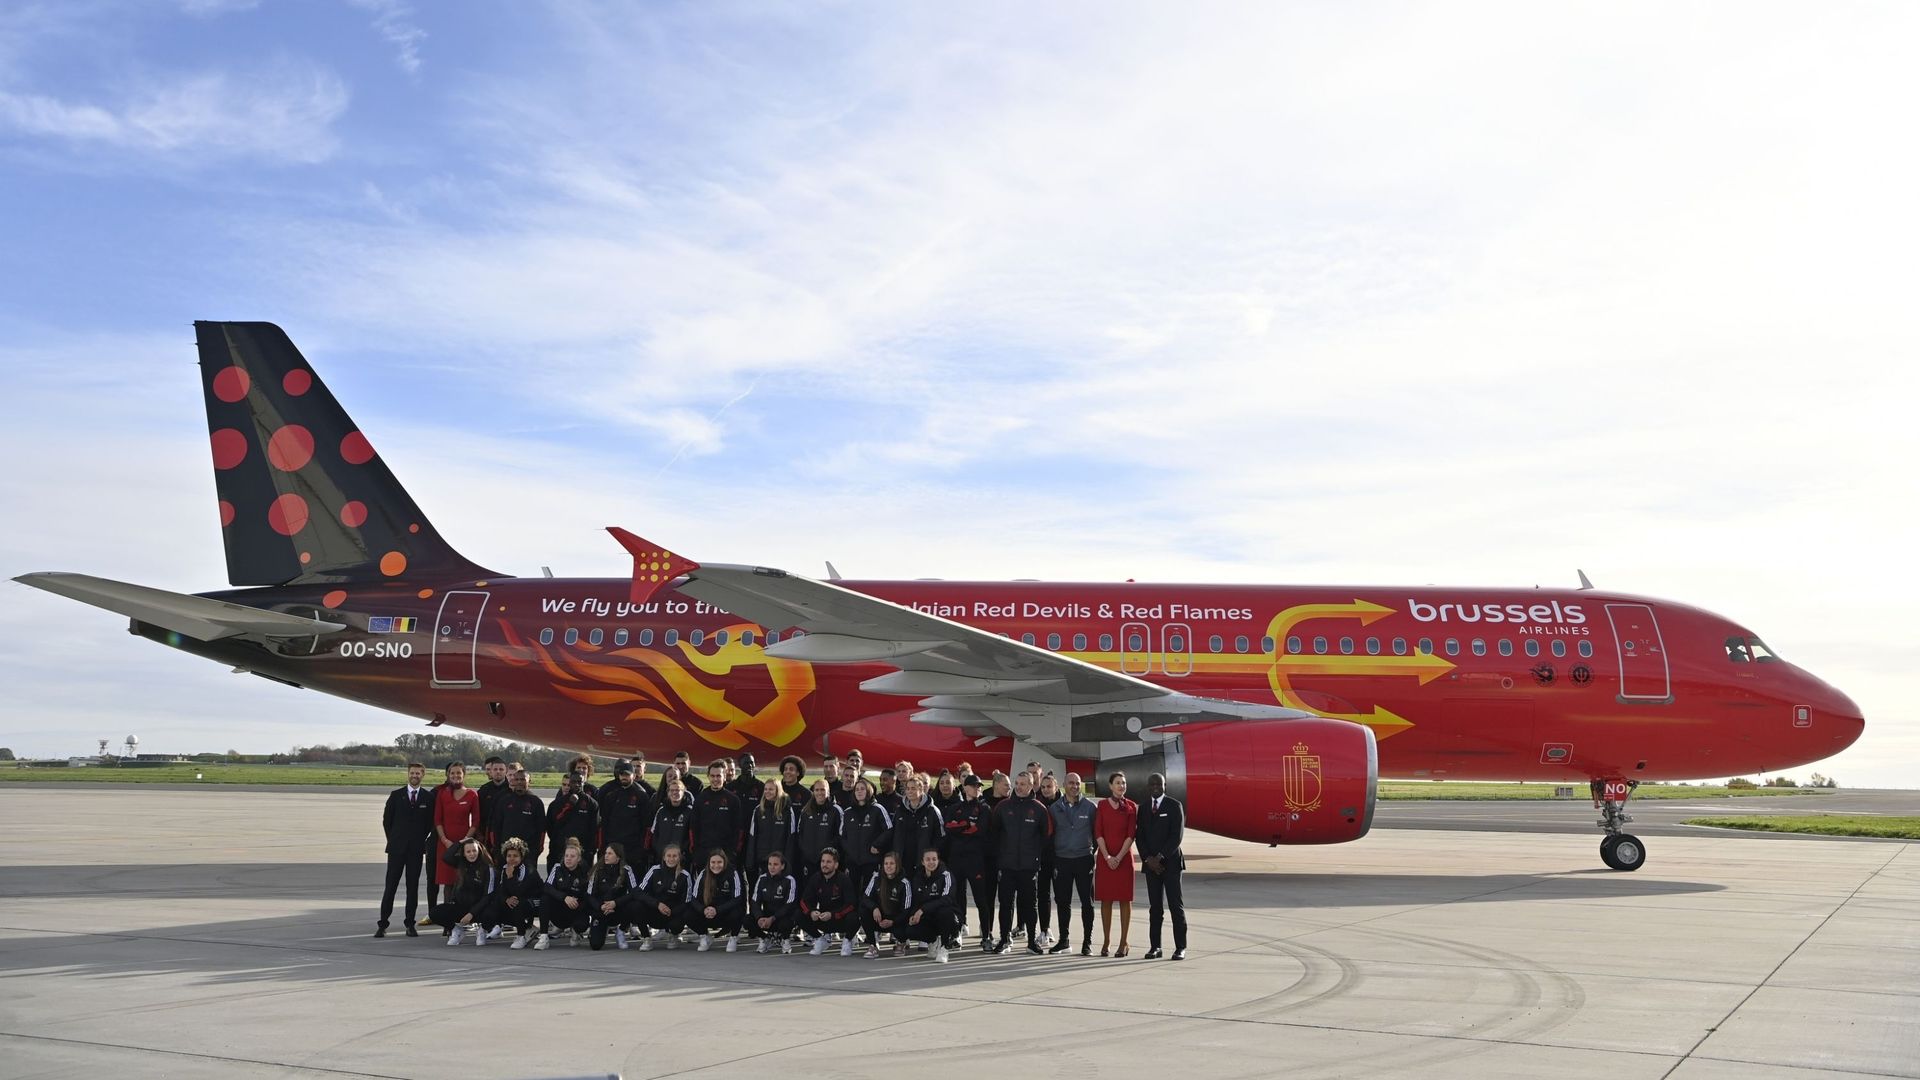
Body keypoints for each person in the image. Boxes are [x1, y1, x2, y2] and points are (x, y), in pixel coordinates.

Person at [989, 771, 1054, 954]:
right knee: (1005, 904)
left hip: (1028, 867)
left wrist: (1034, 855)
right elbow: (994, 833)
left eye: (1023, 784)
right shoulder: (1003, 807)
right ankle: (1004, 939)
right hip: (1007, 866)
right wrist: (1001, 857)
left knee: (1029, 905)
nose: (1018, 787)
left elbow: (1046, 836)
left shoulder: (1039, 809)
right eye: (1016, 783)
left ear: (1032, 786)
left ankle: (1032, 941)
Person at [376, 762, 435, 937]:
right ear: (408, 774)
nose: (414, 775)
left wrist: (418, 840)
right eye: (412, 773)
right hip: (396, 849)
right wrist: (395, 839)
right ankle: (383, 923)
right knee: (390, 887)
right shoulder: (396, 795)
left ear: (422, 775)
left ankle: (410, 923)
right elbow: (387, 821)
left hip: (415, 850)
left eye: (418, 773)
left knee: (412, 887)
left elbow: (429, 824)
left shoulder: (427, 798)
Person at [1137, 772, 1188, 960]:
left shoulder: (1175, 806)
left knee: (1176, 906)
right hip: (1151, 866)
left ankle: (1180, 947)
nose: (1156, 787)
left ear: (1165, 785)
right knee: (1155, 907)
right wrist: (1148, 859)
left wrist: (1159, 857)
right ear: (1148, 787)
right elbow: (1139, 836)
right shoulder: (1142, 808)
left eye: (1159, 784)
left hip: (1171, 864)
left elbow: (1177, 836)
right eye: (1152, 784)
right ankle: (1155, 947)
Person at [943, 773, 996, 948]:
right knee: (957, 898)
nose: (977, 789)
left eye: (979, 786)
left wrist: (962, 826)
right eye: (974, 786)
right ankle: (956, 932)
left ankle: (987, 935)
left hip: (976, 860)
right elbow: (949, 827)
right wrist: (965, 825)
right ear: (965, 787)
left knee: (981, 899)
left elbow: (978, 830)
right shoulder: (955, 807)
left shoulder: (984, 808)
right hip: (956, 859)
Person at [1049, 772, 1098, 955]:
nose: (1075, 786)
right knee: (1063, 902)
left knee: (1087, 902)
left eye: (1078, 783)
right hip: (1062, 861)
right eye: (1071, 783)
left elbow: (1096, 833)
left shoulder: (1090, 808)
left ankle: (1087, 942)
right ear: (1064, 785)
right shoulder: (1054, 808)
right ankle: (1064, 940)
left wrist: (1090, 851)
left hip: (1083, 860)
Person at [1094, 771, 1138, 957]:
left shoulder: (1131, 807)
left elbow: (1131, 835)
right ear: (1110, 786)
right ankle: (1106, 941)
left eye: (1124, 783)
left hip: (1124, 859)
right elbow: (1098, 832)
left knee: (1124, 900)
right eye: (1118, 783)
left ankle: (1123, 942)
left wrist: (1118, 857)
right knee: (1106, 899)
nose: (1121, 786)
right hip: (1105, 859)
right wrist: (1107, 857)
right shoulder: (1102, 805)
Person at [432, 761, 480, 905]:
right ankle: (448, 922)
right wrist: (445, 840)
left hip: (464, 844)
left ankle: (463, 919)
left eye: (458, 772)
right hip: (445, 844)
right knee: (448, 883)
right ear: (448, 775)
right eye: (452, 773)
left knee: (463, 881)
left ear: (464, 774)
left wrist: (465, 841)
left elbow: (476, 822)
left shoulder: (472, 795)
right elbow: (437, 820)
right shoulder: (442, 794)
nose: (455, 775)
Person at [434, 836, 497, 945]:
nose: (472, 854)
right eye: (468, 851)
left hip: (479, 909)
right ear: (463, 853)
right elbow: (446, 857)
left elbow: (488, 895)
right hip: (462, 907)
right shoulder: (461, 863)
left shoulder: (488, 868)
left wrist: (472, 913)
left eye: (474, 850)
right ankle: (457, 930)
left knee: (492, 913)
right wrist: (460, 842)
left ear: (480, 851)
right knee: (435, 913)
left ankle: (483, 930)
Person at [479, 837, 541, 948]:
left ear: (521, 856)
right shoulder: (505, 869)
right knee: (496, 904)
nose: (512, 859)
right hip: (517, 898)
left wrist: (511, 877)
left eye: (515, 856)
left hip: (535, 901)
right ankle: (527, 928)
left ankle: (521, 936)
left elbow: (520, 892)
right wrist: (506, 899)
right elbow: (500, 890)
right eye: (509, 856)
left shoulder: (528, 869)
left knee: (517, 903)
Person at [903, 848, 960, 963]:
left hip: (946, 915)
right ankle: (933, 941)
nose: (931, 862)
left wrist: (922, 909)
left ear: (938, 860)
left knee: (945, 913)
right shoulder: (918, 877)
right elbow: (915, 900)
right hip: (927, 915)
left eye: (934, 859)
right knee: (909, 929)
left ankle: (944, 948)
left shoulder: (946, 875)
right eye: (928, 859)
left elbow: (947, 899)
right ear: (923, 862)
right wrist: (913, 914)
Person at [800, 847, 859, 956]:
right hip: (823, 919)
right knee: (798, 914)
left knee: (855, 917)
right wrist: (812, 912)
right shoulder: (816, 878)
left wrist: (833, 915)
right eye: (823, 861)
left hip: (840, 919)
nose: (824, 865)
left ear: (836, 865)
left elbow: (851, 904)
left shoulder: (843, 879)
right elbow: (804, 901)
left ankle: (847, 941)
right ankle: (819, 940)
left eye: (828, 862)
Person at [536, 839, 592, 950]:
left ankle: (576, 932)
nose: (568, 859)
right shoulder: (557, 868)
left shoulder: (585, 872)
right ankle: (543, 936)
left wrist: (577, 903)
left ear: (579, 859)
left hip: (576, 910)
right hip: (560, 910)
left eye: (572, 856)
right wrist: (564, 897)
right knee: (545, 898)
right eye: (566, 856)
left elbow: (588, 895)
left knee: (581, 925)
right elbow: (547, 887)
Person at [598, 759, 653, 872]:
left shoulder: (641, 795)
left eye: (627, 775)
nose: (624, 777)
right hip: (614, 845)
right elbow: (605, 822)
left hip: (633, 847)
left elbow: (646, 824)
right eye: (622, 775)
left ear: (633, 776)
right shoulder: (611, 796)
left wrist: (642, 848)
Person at [634, 844, 692, 950]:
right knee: (637, 905)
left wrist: (672, 911)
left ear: (679, 858)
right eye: (668, 856)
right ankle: (646, 938)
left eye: (674, 856)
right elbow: (638, 892)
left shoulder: (685, 876)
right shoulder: (654, 870)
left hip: (672, 914)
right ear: (664, 857)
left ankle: (672, 935)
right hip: (655, 911)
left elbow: (687, 902)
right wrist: (657, 904)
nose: (671, 859)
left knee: (683, 918)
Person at [688, 848, 747, 952]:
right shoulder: (703, 873)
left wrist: (718, 910)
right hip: (707, 914)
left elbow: (737, 898)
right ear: (709, 863)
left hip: (724, 913)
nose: (716, 865)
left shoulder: (733, 873)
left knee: (739, 911)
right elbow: (693, 898)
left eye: (719, 862)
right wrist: (703, 910)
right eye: (713, 862)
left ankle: (733, 937)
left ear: (724, 862)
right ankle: (704, 936)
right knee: (688, 913)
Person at [839, 777, 894, 886]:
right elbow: (842, 836)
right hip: (852, 862)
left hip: (871, 861)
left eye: (862, 789)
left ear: (869, 791)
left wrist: (877, 845)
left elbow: (889, 830)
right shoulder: (848, 812)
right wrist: (850, 850)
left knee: (869, 891)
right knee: (852, 891)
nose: (859, 791)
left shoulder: (878, 809)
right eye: (857, 789)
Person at [488, 767, 546, 868]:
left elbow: (541, 830)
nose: (519, 782)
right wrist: (496, 849)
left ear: (529, 781)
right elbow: (495, 827)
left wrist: (536, 851)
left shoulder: (536, 802)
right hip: (506, 854)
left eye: (523, 779)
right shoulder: (504, 801)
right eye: (517, 779)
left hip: (528, 854)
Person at [586, 843, 639, 951]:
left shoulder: (626, 870)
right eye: (606, 853)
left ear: (618, 857)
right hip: (601, 910)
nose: (606, 856)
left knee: (634, 905)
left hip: (618, 909)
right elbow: (589, 895)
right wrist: (601, 906)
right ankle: (602, 929)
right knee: (595, 945)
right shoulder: (597, 870)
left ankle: (621, 931)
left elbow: (634, 892)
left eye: (610, 853)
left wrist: (615, 903)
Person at [694, 762, 747, 867]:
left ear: (724, 777)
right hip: (704, 854)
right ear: (708, 777)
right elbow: (694, 828)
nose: (715, 779)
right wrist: (696, 852)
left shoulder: (733, 800)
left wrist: (733, 852)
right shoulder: (700, 798)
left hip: (726, 854)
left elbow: (738, 829)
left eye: (718, 776)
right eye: (712, 776)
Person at [747, 850, 801, 954]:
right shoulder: (762, 878)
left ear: (782, 866)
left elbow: (789, 904)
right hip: (766, 917)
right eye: (770, 864)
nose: (772, 867)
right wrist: (759, 917)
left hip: (781, 917)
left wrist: (773, 918)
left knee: (790, 919)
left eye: (775, 864)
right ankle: (765, 938)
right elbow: (754, 901)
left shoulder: (790, 880)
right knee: (747, 920)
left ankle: (785, 939)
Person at [860, 851, 912, 958]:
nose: (888, 866)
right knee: (863, 910)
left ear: (897, 865)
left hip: (896, 921)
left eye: (892, 863)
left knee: (905, 927)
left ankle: (901, 943)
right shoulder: (876, 878)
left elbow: (907, 910)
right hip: (880, 918)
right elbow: (865, 898)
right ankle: (873, 945)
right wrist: (874, 908)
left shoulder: (904, 882)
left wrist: (893, 921)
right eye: (886, 863)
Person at [748, 777, 798, 882]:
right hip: (763, 860)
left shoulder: (787, 810)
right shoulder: (758, 810)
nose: (767, 792)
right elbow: (752, 836)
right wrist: (750, 860)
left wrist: (788, 862)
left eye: (771, 789)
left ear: (778, 790)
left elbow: (791, 836)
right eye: (765, 789)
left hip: (780, 861)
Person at [546, 772, 599, 872]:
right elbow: (551, 826)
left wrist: (589, 852)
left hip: (582, 853)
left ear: (584, 782)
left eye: (580, 782)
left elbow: (594, 830)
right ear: (569, 783)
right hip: (560, 851)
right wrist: (569, 806)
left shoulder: (592, 804)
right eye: (574, 782)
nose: (577, 784)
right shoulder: (557, 803)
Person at [891, 772, 946, 869]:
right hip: (902, 860)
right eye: (908, 789)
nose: (910, 791)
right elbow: (892, 832)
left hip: (923, 862)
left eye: (913, 788)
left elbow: (940, 836)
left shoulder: (932, 811)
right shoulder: (900, 810)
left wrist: (931, 856)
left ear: (921, 790)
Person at [794, 778, 844, 884]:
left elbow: (841, 835)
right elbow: (799, 833)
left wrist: (828, 852)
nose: (819, 793)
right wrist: (806, 851)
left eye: (822, 790)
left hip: (827, 861)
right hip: (808, 860)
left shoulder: (836, 810)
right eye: (817, 790)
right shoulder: (806, 811)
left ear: (828, 792)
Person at [646, 774, 697, 867]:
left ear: (683, 792)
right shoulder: (661, 811)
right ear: (668, 793)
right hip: (662, 859)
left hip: (682, 861)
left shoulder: (690, 812)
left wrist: (684, 852)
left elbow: (693, 837)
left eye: (678, 790)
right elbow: (654, 834)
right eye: (672, 790)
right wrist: (659, 851)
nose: (674, 793)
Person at [1033, 772, 1060, 948]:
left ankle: (1063, 933)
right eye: (1043, 787)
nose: (1046, 790)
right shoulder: (1037, 805)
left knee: (1061, 896)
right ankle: (1045, 928)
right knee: (1042, 894)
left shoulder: (1063, 805)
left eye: (1049, 786)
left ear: (1056, 787)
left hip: (1059, 857)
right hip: (1042, 857)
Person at [475, 756, 510, 848]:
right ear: (491, 771)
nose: (498, 771)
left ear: (506, 771)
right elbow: (476, 812)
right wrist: (478, 833)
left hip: (506, 833)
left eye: (501, 769)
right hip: (486, 835)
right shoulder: (484, 790)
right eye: (495, 769)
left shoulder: (511, 790)